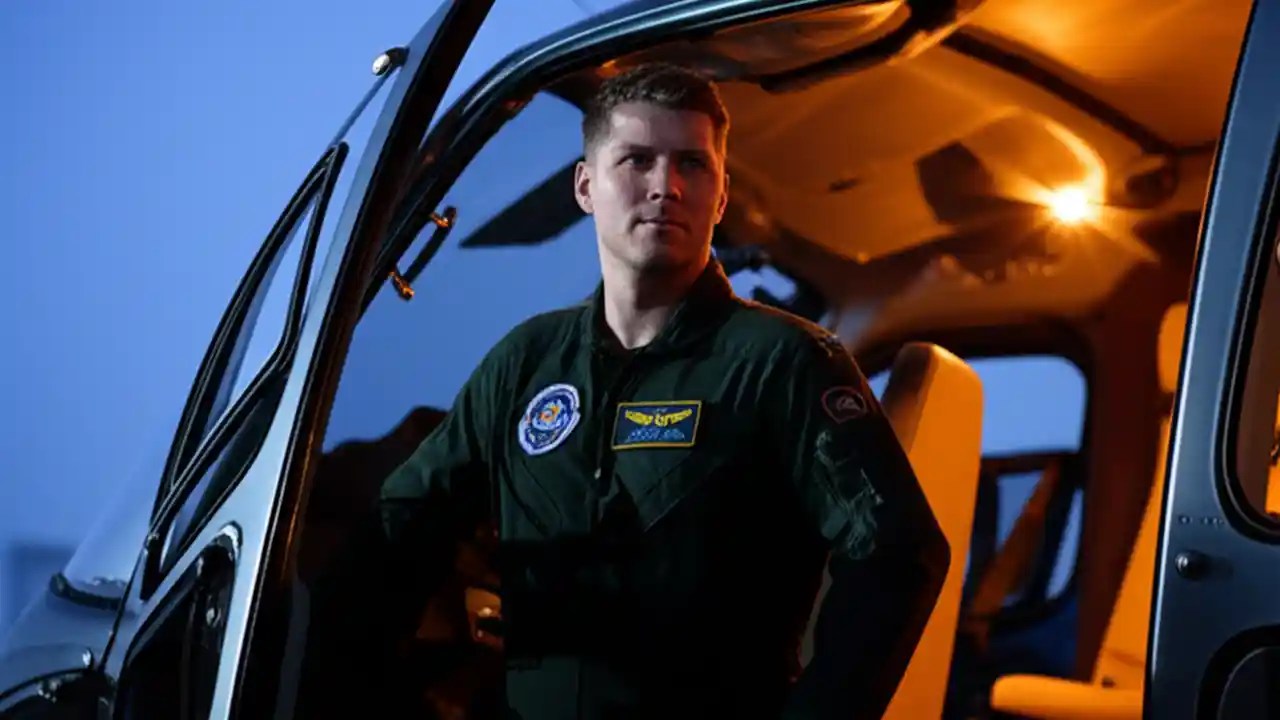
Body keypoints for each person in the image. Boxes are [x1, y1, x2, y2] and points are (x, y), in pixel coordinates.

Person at [375, 62, 949, 720]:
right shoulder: (525, 361)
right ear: (586, 185)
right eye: (637, 160)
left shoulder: (783, 363)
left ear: (722, 196)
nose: (665, 187)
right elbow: (404, 525)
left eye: (692, 165)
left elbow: (897, 550)